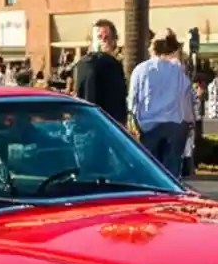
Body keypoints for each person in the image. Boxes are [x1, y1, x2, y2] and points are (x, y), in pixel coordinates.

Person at [128, 33, 193, 177]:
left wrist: (134, 122)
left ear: (153, 49)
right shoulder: (178, 70)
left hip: (148, 126)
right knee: (171, 173)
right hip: (174, 125)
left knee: (150, 172)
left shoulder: (141, 70)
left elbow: (133, 99)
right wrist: (189, 121)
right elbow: (185, 96)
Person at [74, 19, 129, 127]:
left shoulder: (81, 64)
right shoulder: (111, 65)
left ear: (114, 40)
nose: (103, 41)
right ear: (91, 41)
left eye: (106, 37)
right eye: (99, 37)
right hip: (108, 127)